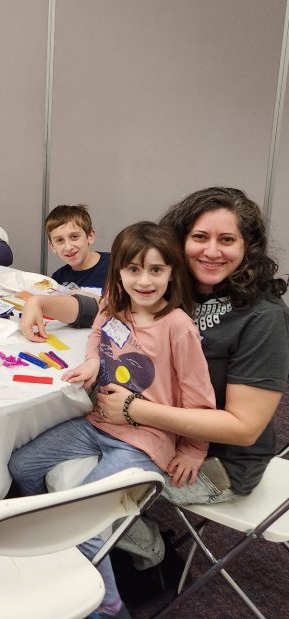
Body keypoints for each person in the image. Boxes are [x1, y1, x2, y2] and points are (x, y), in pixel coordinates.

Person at [20, 187, 289, 578]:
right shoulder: (182, 286)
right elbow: (106, 307)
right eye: (200, 237)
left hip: (214, 462)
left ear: (248, 246)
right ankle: (86, 543)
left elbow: (244, 429)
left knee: (73, 497)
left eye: (227, 240)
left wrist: (132, 408)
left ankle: (141, 543)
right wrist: (39, 303)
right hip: (133, 428)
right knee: (36, 459)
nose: (212, 251)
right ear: (179, 241)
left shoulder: (262, 317)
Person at [9, 221, 215, 619]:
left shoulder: (178, 326)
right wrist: (91, 360)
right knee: (21, 464)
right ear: (118, 270)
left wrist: (194, 448)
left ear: (172, 272)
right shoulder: (111, 303)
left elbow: (200, 400)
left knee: (81, 519)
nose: (144, 280)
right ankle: (57, 546)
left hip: (145, 439)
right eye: (134, 269)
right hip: (99, 422)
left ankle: (109, 605)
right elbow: (97, 333)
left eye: (156, 270)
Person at [46, 204, 110, 289]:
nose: (68, 247)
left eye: (74, 237)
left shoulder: (115, 265)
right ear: (52, 246)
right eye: (60, 240)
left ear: (90, 236)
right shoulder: (58, 279)